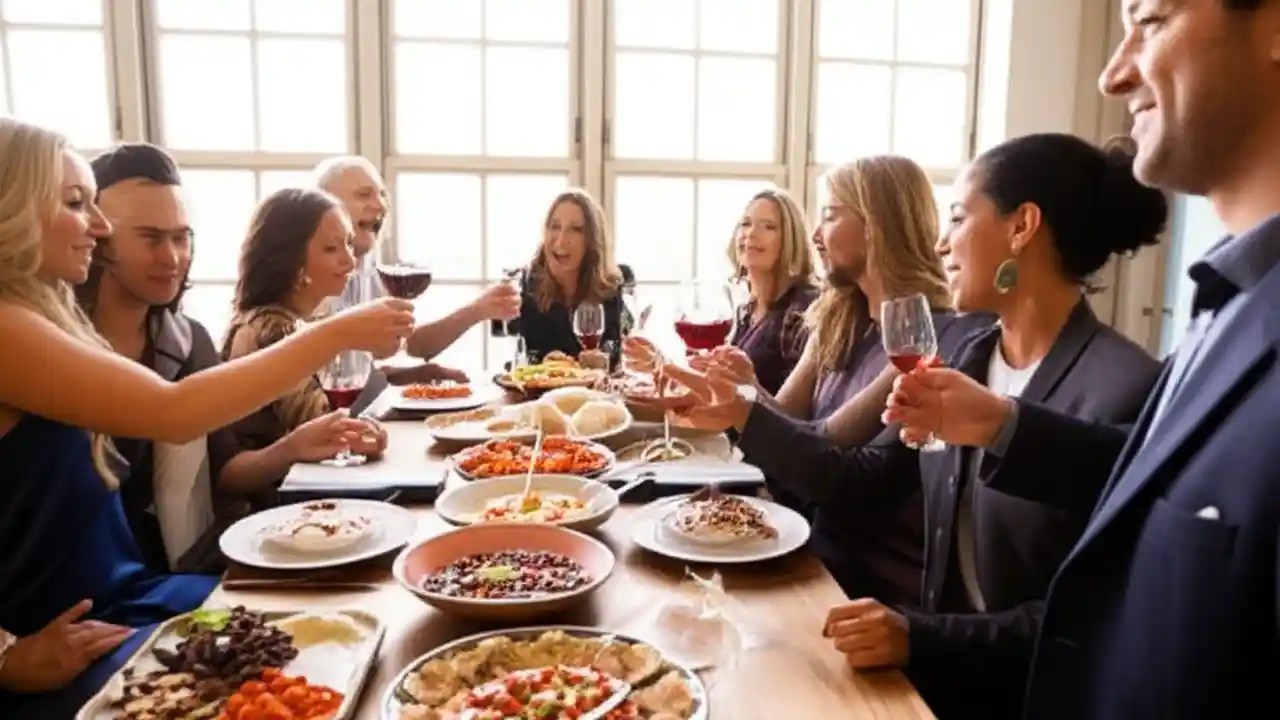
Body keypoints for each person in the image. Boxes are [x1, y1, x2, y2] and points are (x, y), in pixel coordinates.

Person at [885, 1, 1280, 716]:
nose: (1112, 74)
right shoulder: (1224, 303)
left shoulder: (1136, 366)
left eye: (1151, 19)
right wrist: (1003, 426)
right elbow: (1136, 481)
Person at [0, 119, 414, 718]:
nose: (99, 226)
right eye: (73, 203)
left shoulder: (51, 318)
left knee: (356, 633)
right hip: (79, 637)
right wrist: (7, 659)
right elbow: (172, 412)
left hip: (130, 598)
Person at [814, 134, 1164, 719]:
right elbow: (861, 477)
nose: (940, 243)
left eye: (957, 217)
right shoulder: (968, 356)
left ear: (1021, 226)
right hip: (928, 684)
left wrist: (922, 636)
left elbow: (1091, 616)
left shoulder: (1127, 386)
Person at [629, 156, 985, 606]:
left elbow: (829, 448)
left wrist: (742, 406)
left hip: (862, 582)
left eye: (830, 216)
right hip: (809, 543)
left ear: (877, 225)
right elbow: (791, 420)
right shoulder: (840, 316)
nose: (815, 235)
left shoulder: (924, 337)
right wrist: (741, 388)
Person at [77, 143, 372, 573]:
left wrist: (292, 447)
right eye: (151, 238)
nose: (172, 257)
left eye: (181, 237)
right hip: (89, 582)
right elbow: (171, 414)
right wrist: (338, 334)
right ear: (97, 238)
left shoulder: (186, 341)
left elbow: (226, 472)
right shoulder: (59, 347)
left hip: (166, 568)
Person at [221, 188, 389, 460]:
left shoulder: (298, 321)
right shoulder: (271, 330)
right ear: (291, 259)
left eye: (348, 244)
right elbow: (325, 426)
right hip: (282, 485)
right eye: (331, 248)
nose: (350, 260)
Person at [313, 155, 521, 376]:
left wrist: (477, 310)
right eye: (364, 195)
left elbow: (403, 346)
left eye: (382, 195)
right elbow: (322, 373)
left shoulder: (369, 264)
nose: (381, 205)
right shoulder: (306, 274)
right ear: (323, 205)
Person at [513, 188, 633, 366]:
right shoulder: (525, 285)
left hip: (598, 385)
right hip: (539, 384)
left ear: (592, 240)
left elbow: (624, 353)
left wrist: (606, 363)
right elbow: (516, 358)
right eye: (555, 227)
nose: (561, 241)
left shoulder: (612, 285)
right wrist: (544, 365)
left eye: (576, 230)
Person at [723, 187, 819, 395]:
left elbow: (797, 409)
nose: (751, 233)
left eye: (769, 227)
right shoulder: (746, 310)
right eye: (745, 224)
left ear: (790, 240)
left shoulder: (805, 310)